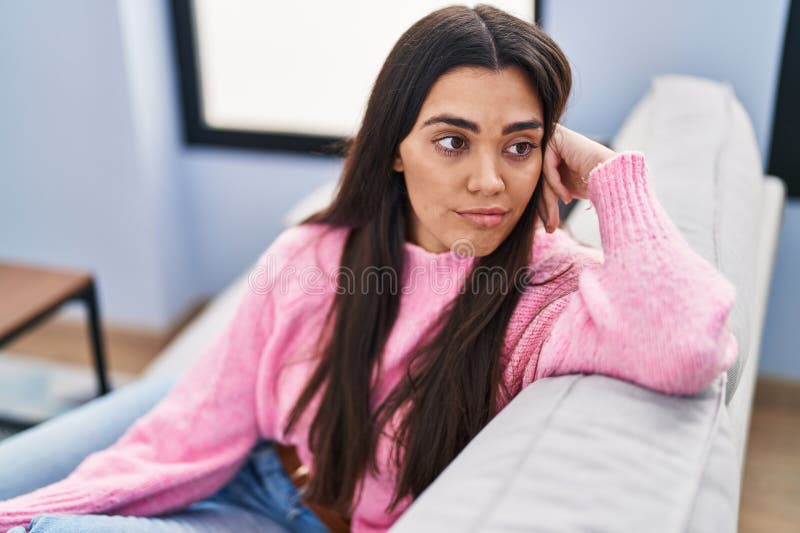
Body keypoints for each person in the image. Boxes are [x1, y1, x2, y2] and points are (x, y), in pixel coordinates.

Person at [0, 4, 738, 532]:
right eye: (453, 142)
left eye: (519, 145)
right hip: (249, 467)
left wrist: (610, 174)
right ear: (394, 146)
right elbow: (194, 428)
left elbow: (686, 343)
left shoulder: (547, 296)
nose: (490, 181)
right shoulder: (319, 255)